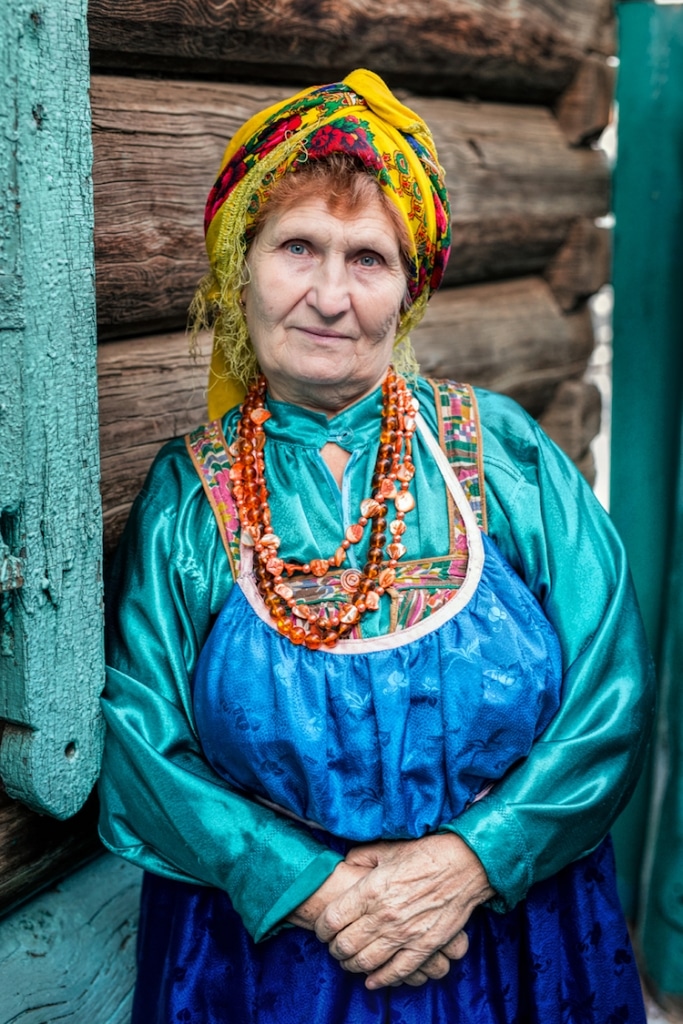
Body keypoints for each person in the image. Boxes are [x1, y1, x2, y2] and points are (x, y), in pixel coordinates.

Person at [99, 69, 655, 1023]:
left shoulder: (504, 454)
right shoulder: (191, 497)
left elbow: (612, 691)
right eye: (298, 247)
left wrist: (469, 864)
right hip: (263, 970)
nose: (328, 294)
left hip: (518, 953)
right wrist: (324, 895)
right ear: (242, 268)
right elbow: (141, 743)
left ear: (409, 288)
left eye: (367, 258)